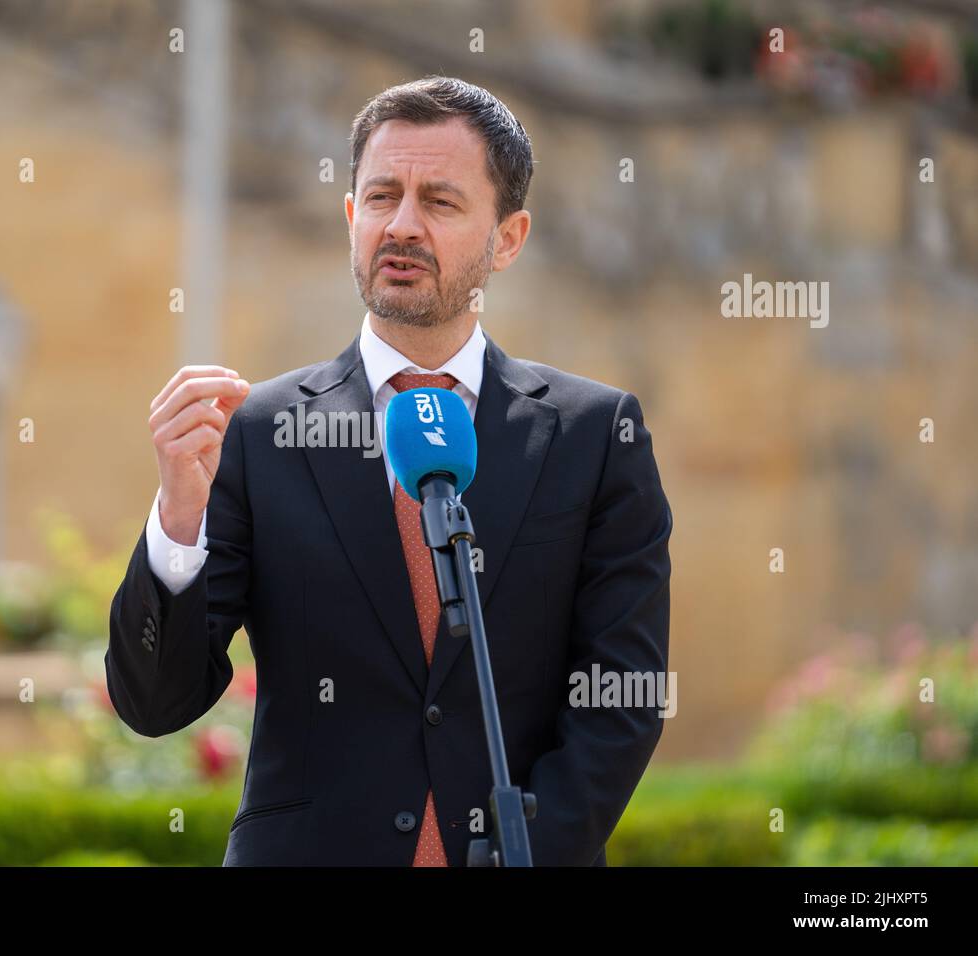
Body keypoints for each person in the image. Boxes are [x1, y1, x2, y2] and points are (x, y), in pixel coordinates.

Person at [107, 76, 672, 866]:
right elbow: (155, 704)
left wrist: (526, 850)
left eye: (440, 202)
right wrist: (176, 522)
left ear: (507, 239)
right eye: (381, 197)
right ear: (351, 218)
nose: (401, 226)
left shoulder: (593, 434)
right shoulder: (261, 433)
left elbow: (622, 694)